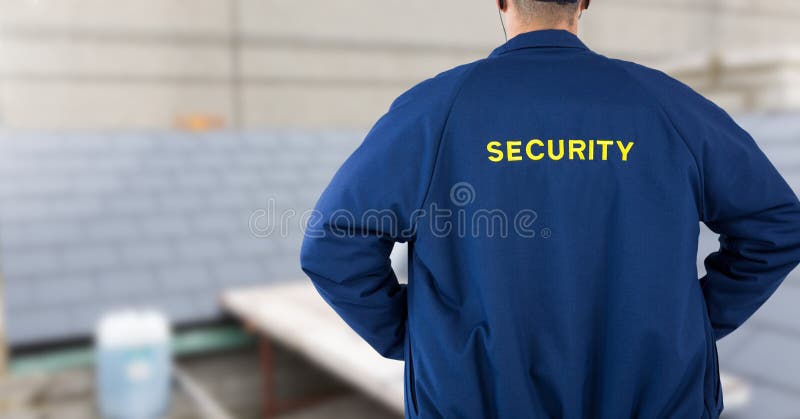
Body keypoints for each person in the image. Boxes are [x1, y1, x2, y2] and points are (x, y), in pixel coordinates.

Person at [300, 0, 800, 417]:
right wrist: (692, 321)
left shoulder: (436, 110)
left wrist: (415, 338)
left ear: (500, 2)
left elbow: (333, 243)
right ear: (583, 3)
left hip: (477, 400)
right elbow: (777, 225)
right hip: (653, 396)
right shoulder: (666, 105)